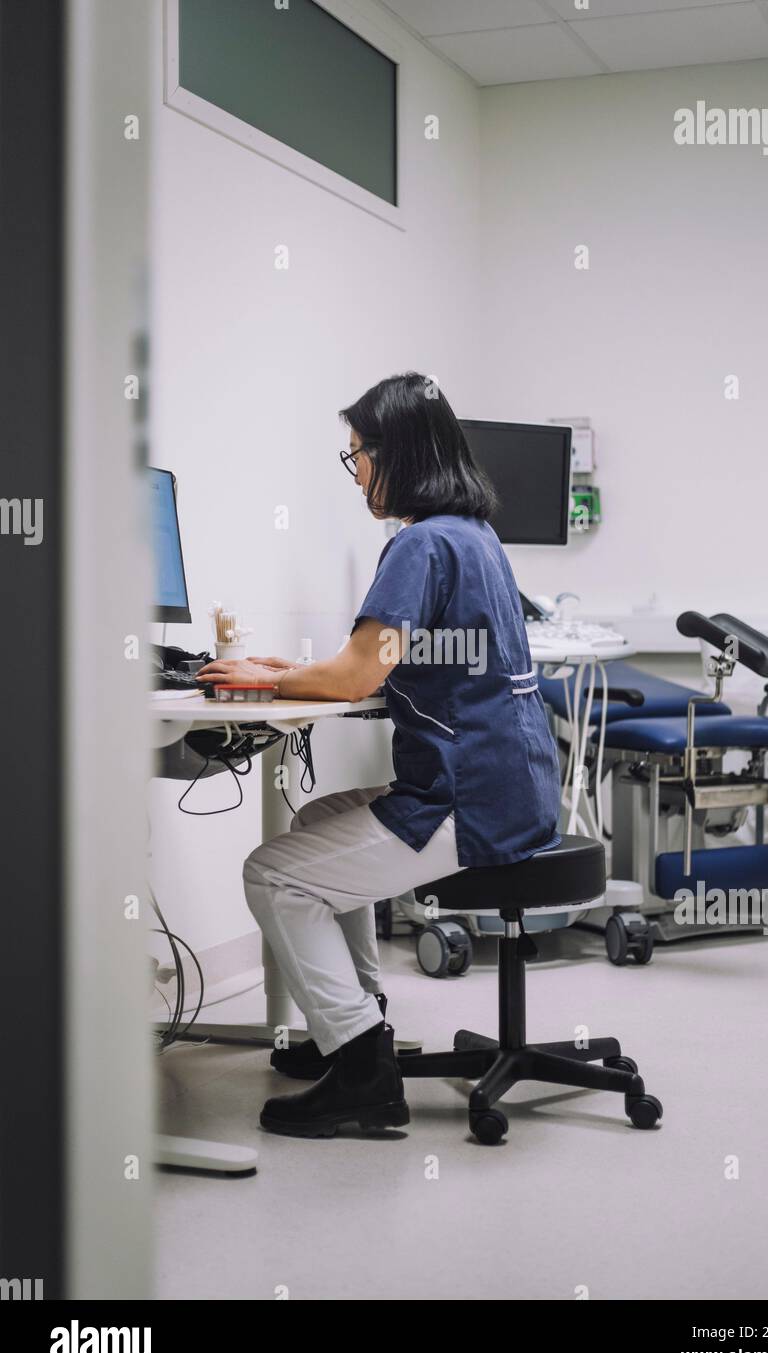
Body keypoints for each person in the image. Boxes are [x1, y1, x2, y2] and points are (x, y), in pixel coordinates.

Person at [196, 372, 562, 1138]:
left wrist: (272, 679)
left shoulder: (421, 542)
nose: (355, 470)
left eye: (356, 454)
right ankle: (358, 1028)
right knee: (324, 818)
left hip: (471, 801)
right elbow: (377, 660)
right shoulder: (475, 538)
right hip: (514, 786)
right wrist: (285, 674)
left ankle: (363, 1068)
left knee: (272, 873)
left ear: (396, 454)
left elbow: (361, 671)